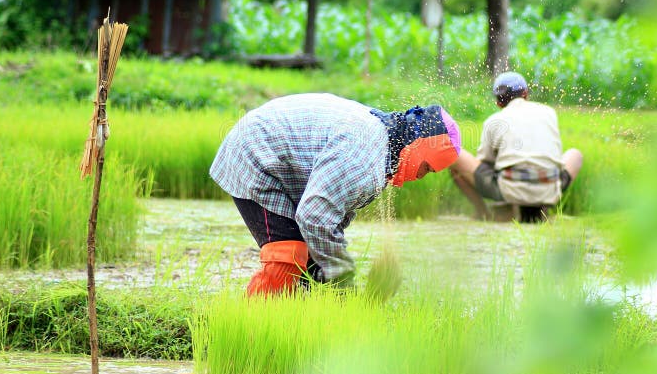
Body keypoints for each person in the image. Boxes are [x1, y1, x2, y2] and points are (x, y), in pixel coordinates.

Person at [210, 93, 461, 296]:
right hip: (257, 152)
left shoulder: (382, 150)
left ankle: (295, 332)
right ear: (417, 145)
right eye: (426, 167)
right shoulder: (365, 158)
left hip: (280, 161)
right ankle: (250, 329)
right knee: (287, 256)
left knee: (310, 266)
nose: (420, 176)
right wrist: (342, 275)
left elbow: (330, 218)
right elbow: (314, 217)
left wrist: (327, 273)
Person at [449, 71, 583, 222]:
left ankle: (483, 212)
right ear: (525, 94)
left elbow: (485, 163)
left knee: (453, 155)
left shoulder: (494, 120)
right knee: (575, 155)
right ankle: (543, 210)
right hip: (549, 190)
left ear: (498, 103)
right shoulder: (549, 112)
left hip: (510, 191)